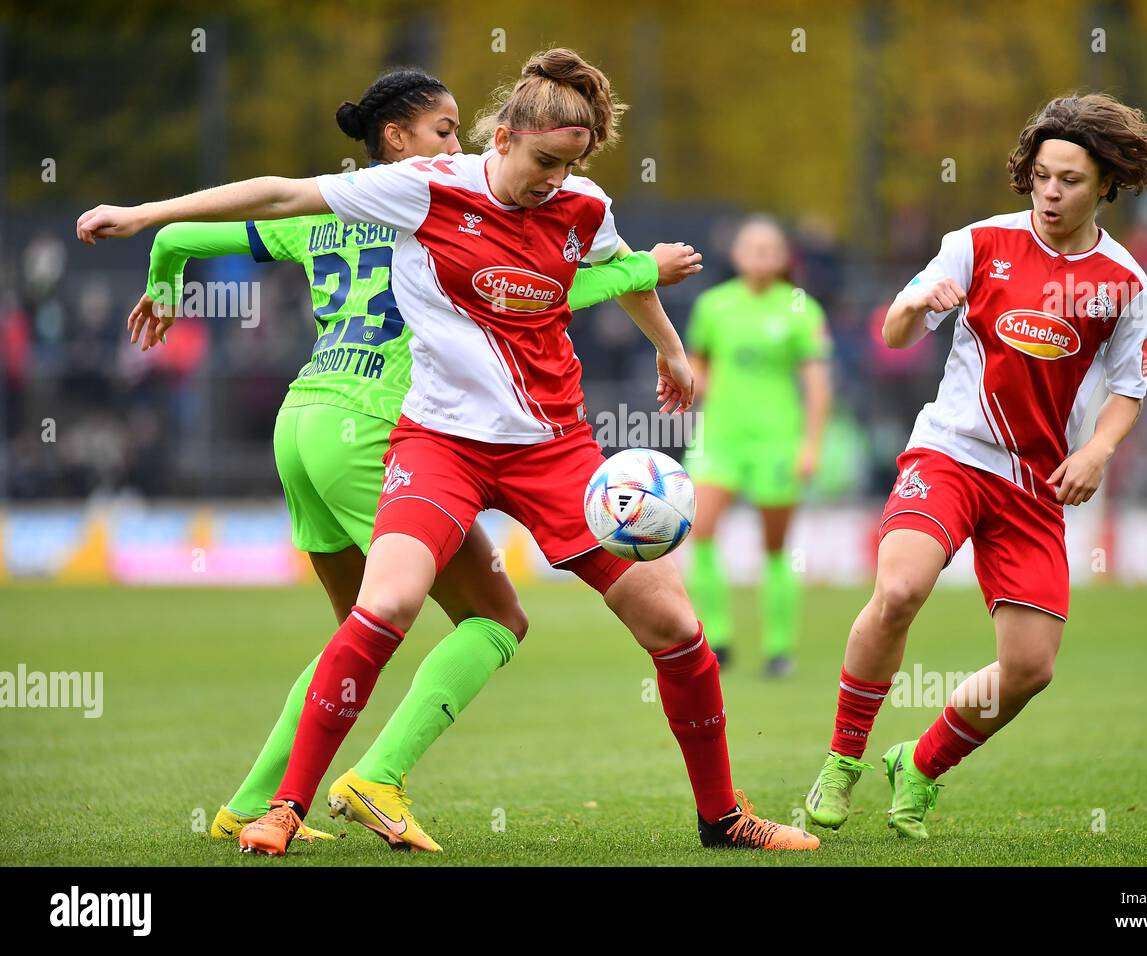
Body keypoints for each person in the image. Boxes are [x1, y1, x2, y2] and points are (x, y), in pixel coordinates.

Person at [79, 48, 819, 855]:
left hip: (554, 448)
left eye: (568, 167)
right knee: (386, 605)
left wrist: (671, 351)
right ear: (501, 137)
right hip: (440, 443)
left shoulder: (585, 203)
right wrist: (149, 214)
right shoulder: (423, 186)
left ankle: (723, 817)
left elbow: (618, 269)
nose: (552, 182)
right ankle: (284, 808)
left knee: (676, 626)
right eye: (542, 162)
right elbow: (283, 193)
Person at [802, 92, 1147, 837]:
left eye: (1070, 178)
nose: (1052, 192)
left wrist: (1097, 449)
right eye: (1041, 176)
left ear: (1106, 184)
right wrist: (915, 302)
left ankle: (921, 765)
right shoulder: (977, 244)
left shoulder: (1125, 283)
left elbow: (1129, 391)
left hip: (1036, 483)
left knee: (1031, 668)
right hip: (951, 453)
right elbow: (897, 333)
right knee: (900, 587)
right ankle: (842, 761)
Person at [684, 216, 831, 676]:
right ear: (738, 254)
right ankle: (719, 640)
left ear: (784, 256)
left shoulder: (801, 309)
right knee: (699, 531)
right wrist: (687, 384)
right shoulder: (713, 306)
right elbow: (697, 363)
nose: (761, 254)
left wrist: (810, 445)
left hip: (776, 441)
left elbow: (818, 385)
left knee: (774, 546)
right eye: (753, 246)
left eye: (771, 247)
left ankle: (778, 650)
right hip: (720, 439)